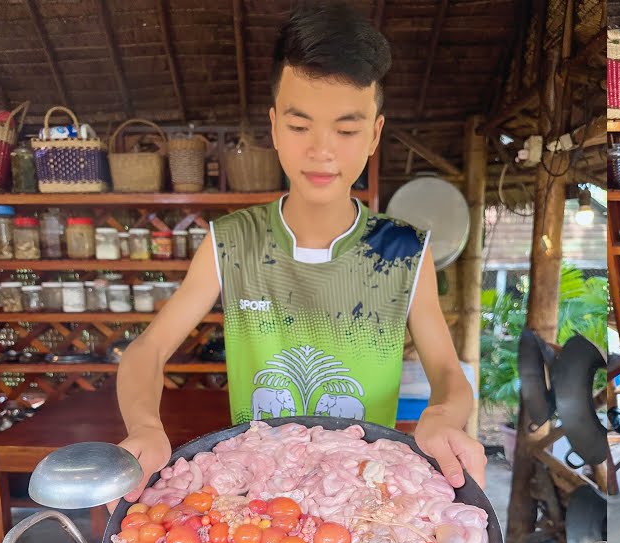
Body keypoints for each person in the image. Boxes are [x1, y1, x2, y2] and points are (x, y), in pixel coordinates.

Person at [115, 1, 486, 502]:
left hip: (364, 493)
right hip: (254, 500)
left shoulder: (402, 251)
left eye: (347, 129)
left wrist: (442, 415)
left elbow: (446, 370)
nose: (322, 149)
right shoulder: (231, 243)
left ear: (375, 134)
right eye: (299, 125)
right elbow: (147, 350)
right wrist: (144, 425)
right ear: (273, 127)